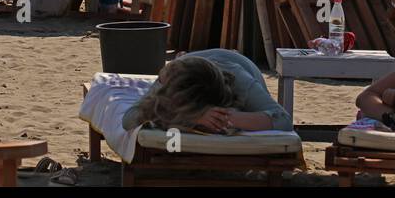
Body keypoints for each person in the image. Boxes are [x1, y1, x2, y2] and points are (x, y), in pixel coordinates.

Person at [122, 49, 292, 133]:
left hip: (236, 63)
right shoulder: (171, 77)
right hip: (195, 63)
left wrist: (224, 118)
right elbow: (129, 119)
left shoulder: (241, 82)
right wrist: (192, 115)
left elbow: (283, 120)